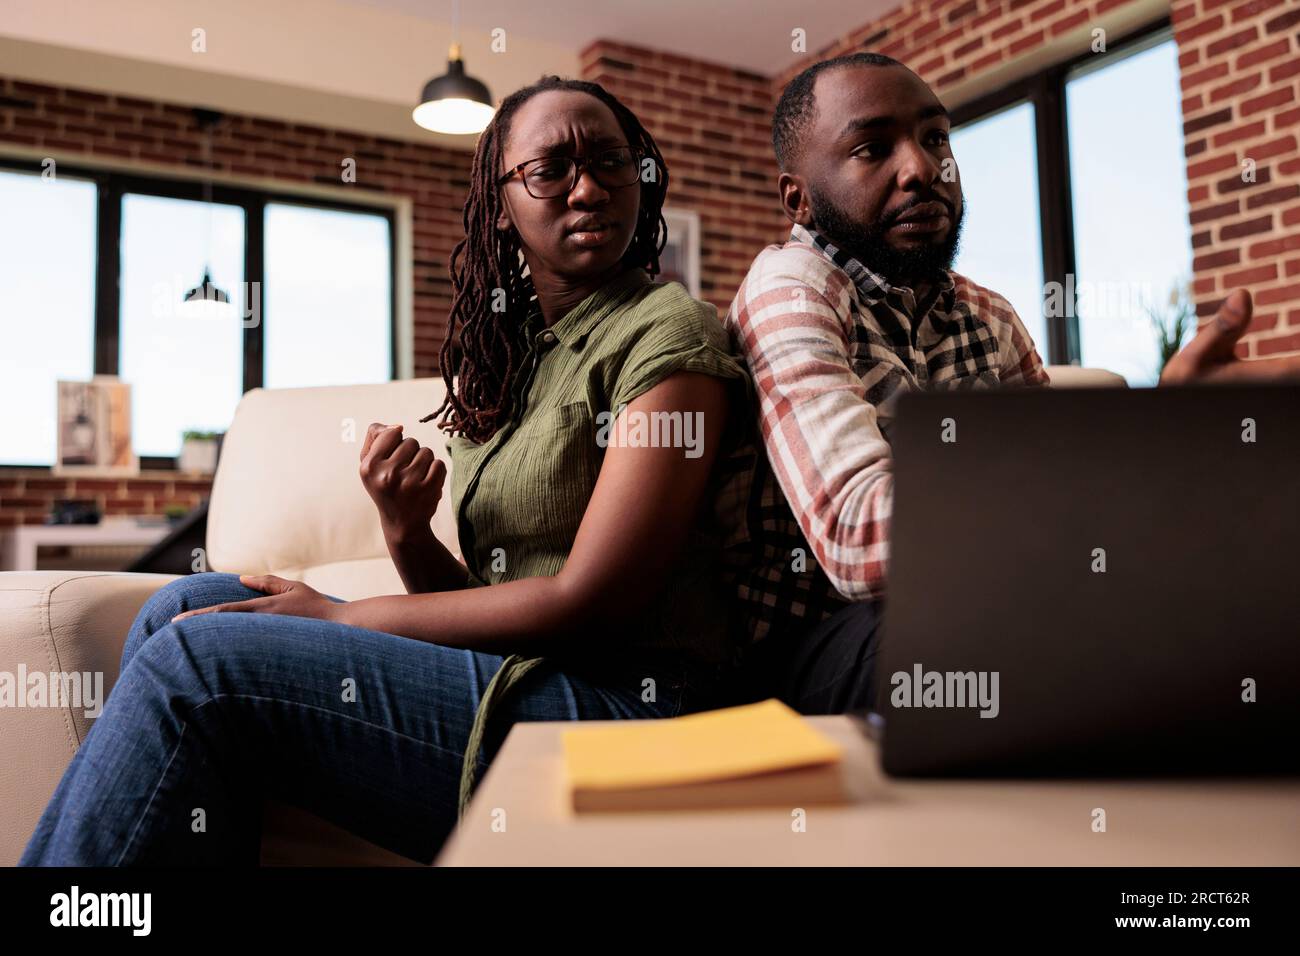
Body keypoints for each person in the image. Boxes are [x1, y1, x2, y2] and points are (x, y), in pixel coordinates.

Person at [21, 75, 759, 866]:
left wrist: (343, 619)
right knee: (184, 607)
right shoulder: (515, 365)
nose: (588, 188)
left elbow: (590, 604)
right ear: (501, 202)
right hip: (531, 672)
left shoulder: (668, 331)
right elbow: (484, 611)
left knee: (197, 660)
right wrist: (406, 531)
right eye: (552, 169)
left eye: (611, 161)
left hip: (633, 712)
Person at [723, 52, 1297, 715]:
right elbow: (859, 539)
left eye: (935, 138)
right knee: (1027, 636)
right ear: (798, 199)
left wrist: (1185, 445)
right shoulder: (790, 289)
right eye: (872, 148)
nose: (921, 169)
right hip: (811, 643)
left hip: (990, 599)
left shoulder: (988, 315)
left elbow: (1055, 481)